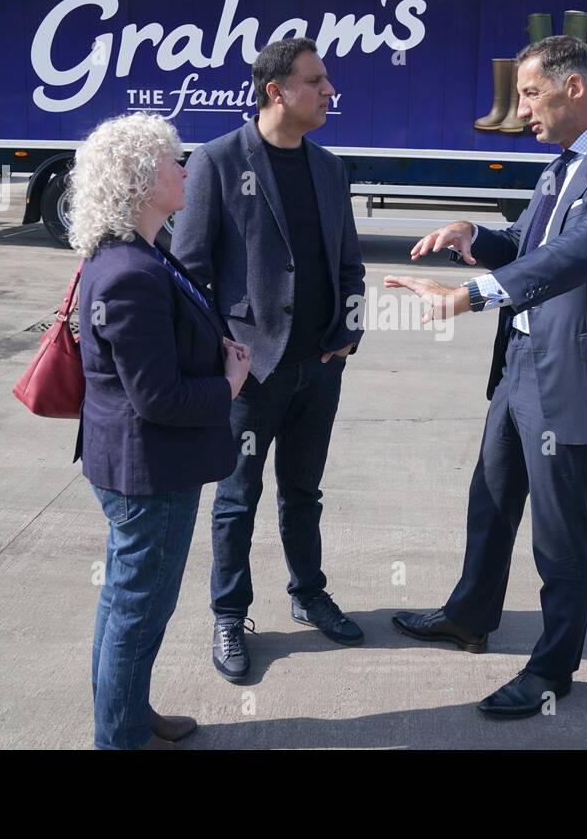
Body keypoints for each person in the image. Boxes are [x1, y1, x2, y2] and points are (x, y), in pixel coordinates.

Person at [385, 35, 587, 718]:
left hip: (570, 373)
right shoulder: (558, 167)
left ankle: (551, 669)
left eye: (531, 94)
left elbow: (585, 251)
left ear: (576, 87)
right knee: (489, 499)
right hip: (518, 365)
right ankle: (469, 616)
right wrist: (474, 237)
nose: (521, 112)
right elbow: (531, 248)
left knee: (559, 533)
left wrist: (474, 293)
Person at [171, 37, 367, 683]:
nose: (329, 91)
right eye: (316, 81)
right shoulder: (221, 162)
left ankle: (308, 592)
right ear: (276, 90)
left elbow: (350, 266)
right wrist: (218, 360)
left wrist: (350, 332)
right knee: (236, 499)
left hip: (321, 366)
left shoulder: (330, 168)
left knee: (304, 492)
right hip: (252, 373)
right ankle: (230, 612)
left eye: (327, 80)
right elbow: (191, 272)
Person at [70, 112, 251, 748]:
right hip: (150, 471)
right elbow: (157, 397)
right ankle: (118, 737)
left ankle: (125, 712)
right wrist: (227, 385)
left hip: (144, 463)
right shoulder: (129, 272)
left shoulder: (144, 252)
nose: (186, 168)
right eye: (175, 161)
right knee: (137, 611)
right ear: (144, 180)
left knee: (128, 605)